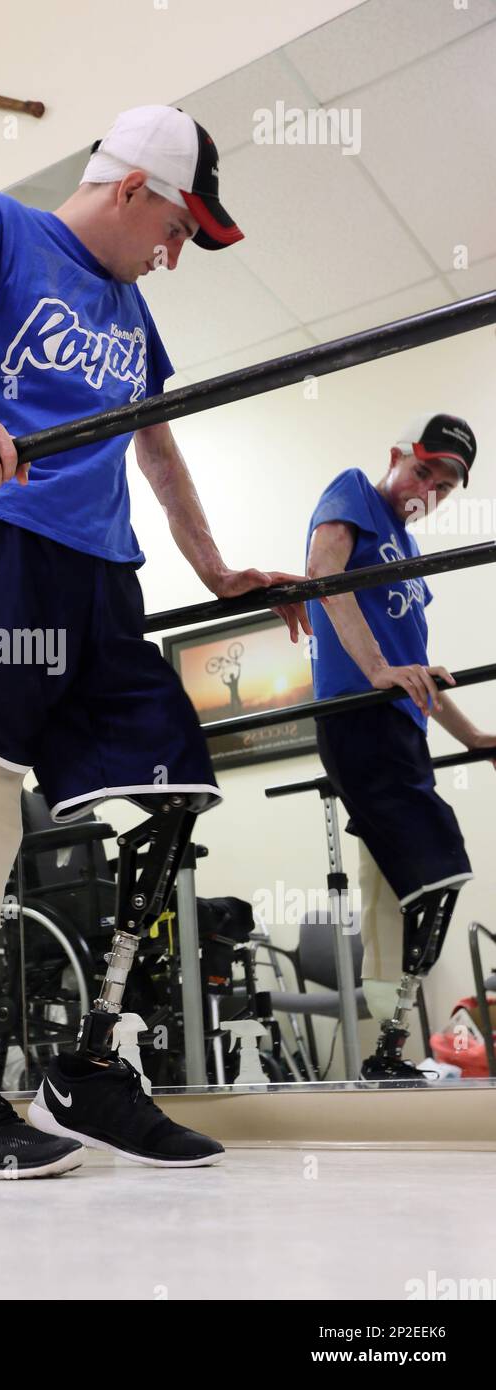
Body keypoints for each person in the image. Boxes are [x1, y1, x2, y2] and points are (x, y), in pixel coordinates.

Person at [0, 104, 309, 1176]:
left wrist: (218, 570)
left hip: (107, 585)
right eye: (178, 228)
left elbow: (159, 455)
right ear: (133, 187)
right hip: (1, 553)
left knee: (177, 784)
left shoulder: (132, 312)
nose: (173, 254)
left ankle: (86, 1069)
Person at [305, 413, 495, 1081]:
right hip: (358, 720)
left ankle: (387, 1053)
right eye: (422, 470)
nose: (427, 490)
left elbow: (414, 669)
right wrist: (377, 672)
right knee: (439, 869)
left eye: (444, 485)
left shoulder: (409, 559)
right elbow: (322, 572)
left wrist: (474, 738)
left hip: (398, 728)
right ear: (395, 456)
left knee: (388, 889)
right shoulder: (354, 491)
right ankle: (387, 1045)